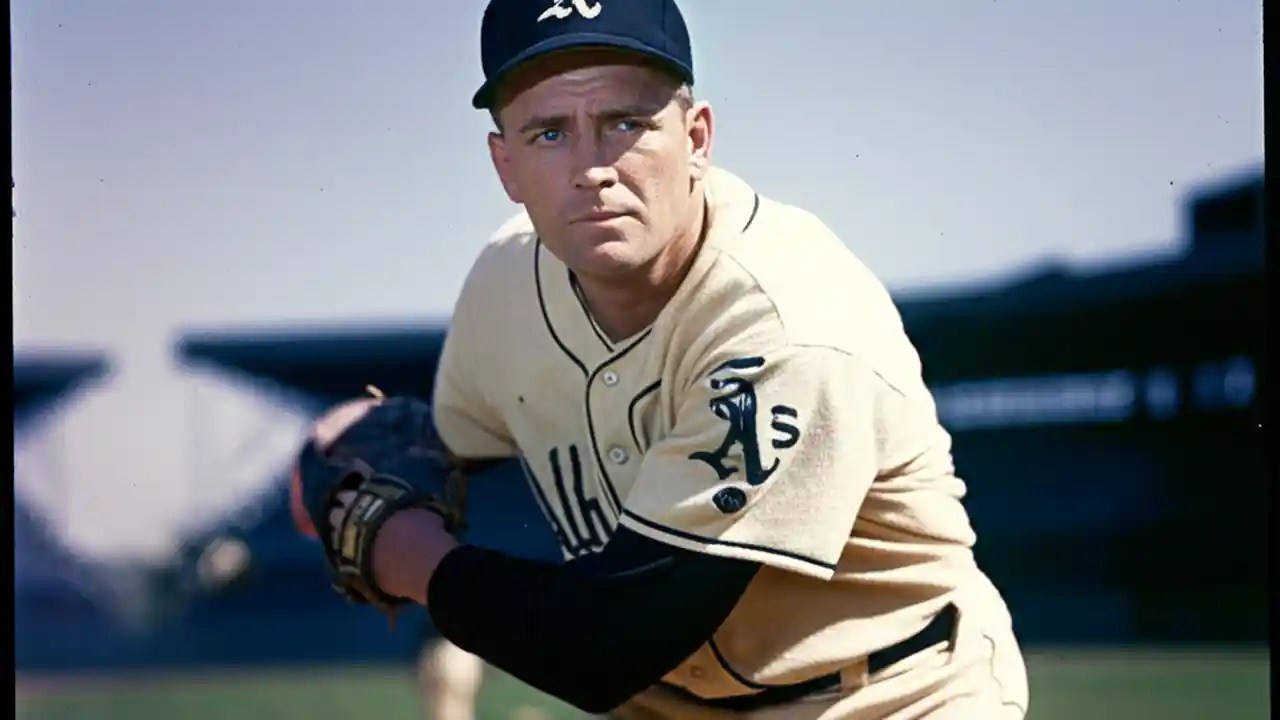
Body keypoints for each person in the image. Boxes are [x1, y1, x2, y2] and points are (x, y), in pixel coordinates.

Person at [329, 0, 1031, 716]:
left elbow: (608, 645)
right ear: (504, 165)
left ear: (697, 138)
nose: (591, 168)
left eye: (625, 124)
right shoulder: (503, 286)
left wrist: (398, 548)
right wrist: (357, 448)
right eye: (548, 132)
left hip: (893, 692)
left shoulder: (789, 320)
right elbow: (446, 449)